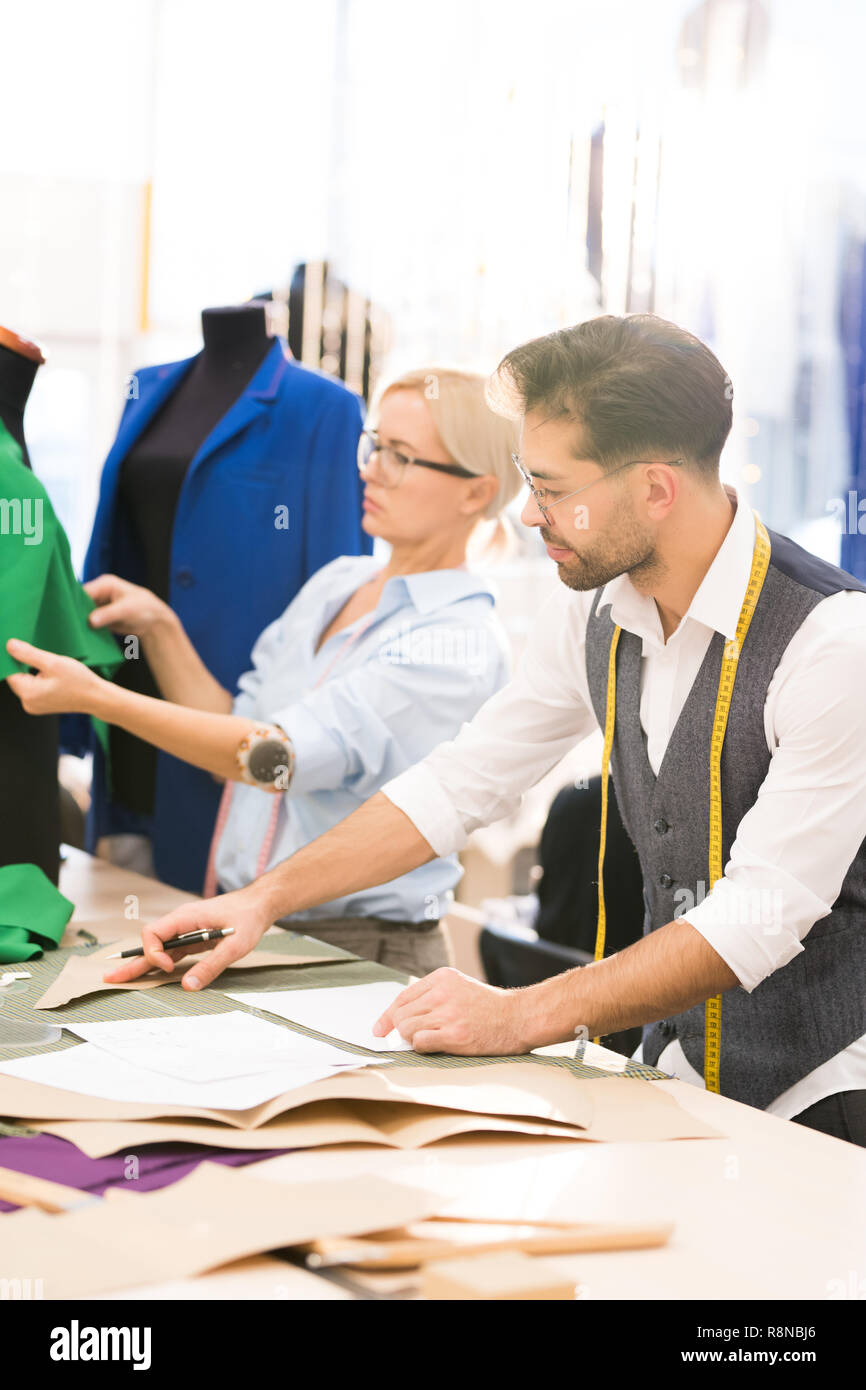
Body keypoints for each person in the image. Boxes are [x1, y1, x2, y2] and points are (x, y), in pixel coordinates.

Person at [44, 314, 866, 1146]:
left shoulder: (831, 643)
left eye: (553, 489)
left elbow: (758, 915)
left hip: (821, 1097)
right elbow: (459, 783)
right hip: (676, 1074)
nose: (530, 516)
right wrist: (262, 900)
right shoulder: (590, 607)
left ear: (655, 488)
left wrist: (520, 1014)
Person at [6, 366, 520, 976]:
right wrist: (160, 628)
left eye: (401, 457)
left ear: (476, 492)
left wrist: (99, 699)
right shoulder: (339, 583)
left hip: (360, 945)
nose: (371, 468)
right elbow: (239, 723)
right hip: (259, 925)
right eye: (374, 445)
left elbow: (270, 759)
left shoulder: (455, 643)